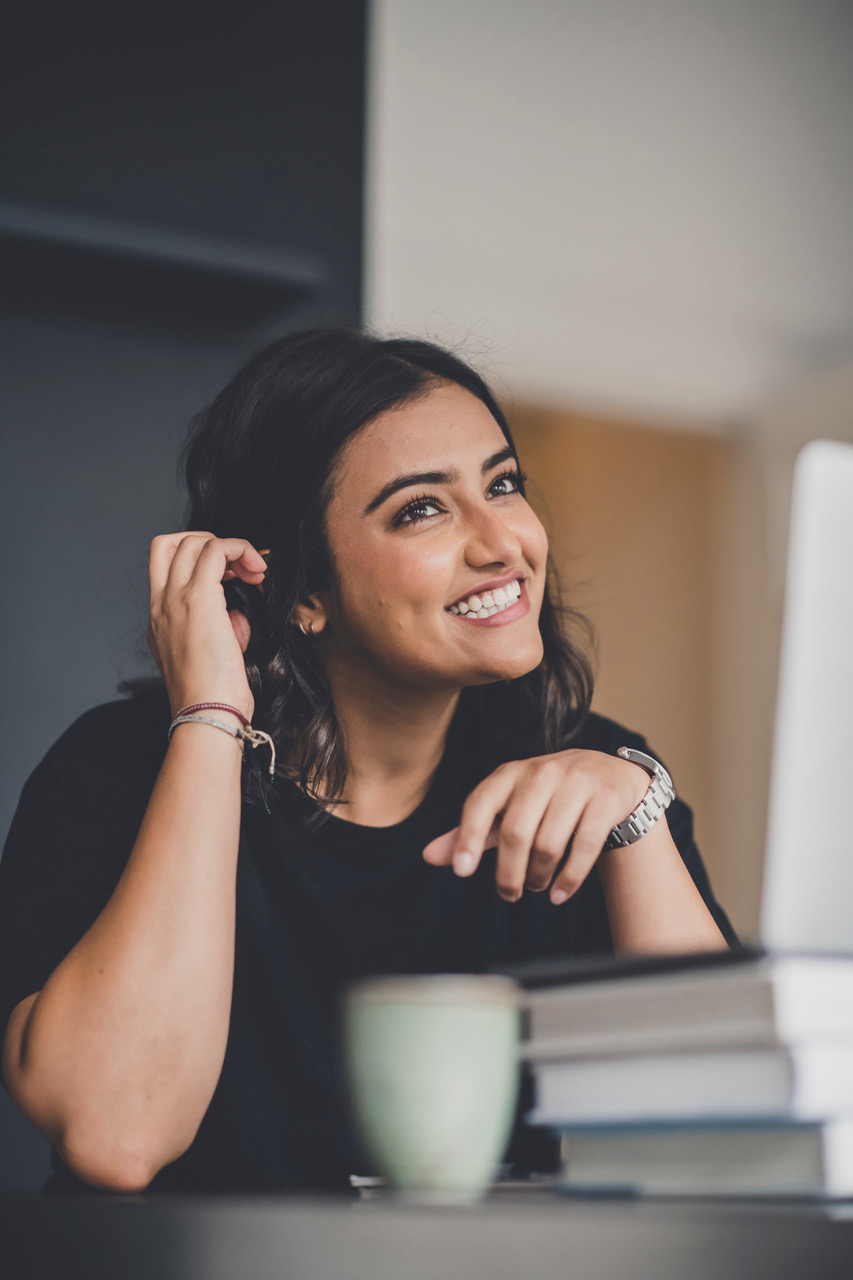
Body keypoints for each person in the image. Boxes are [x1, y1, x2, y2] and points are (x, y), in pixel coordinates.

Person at [0, 329, 734, 1195]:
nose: (502, 543)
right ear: (301, 590)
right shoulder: (116, 770)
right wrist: (208, 716)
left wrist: (637, 814)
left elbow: (723, 1153)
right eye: (421, 508)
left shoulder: (595, 782)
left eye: (502, 485)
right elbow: (114, 1135)